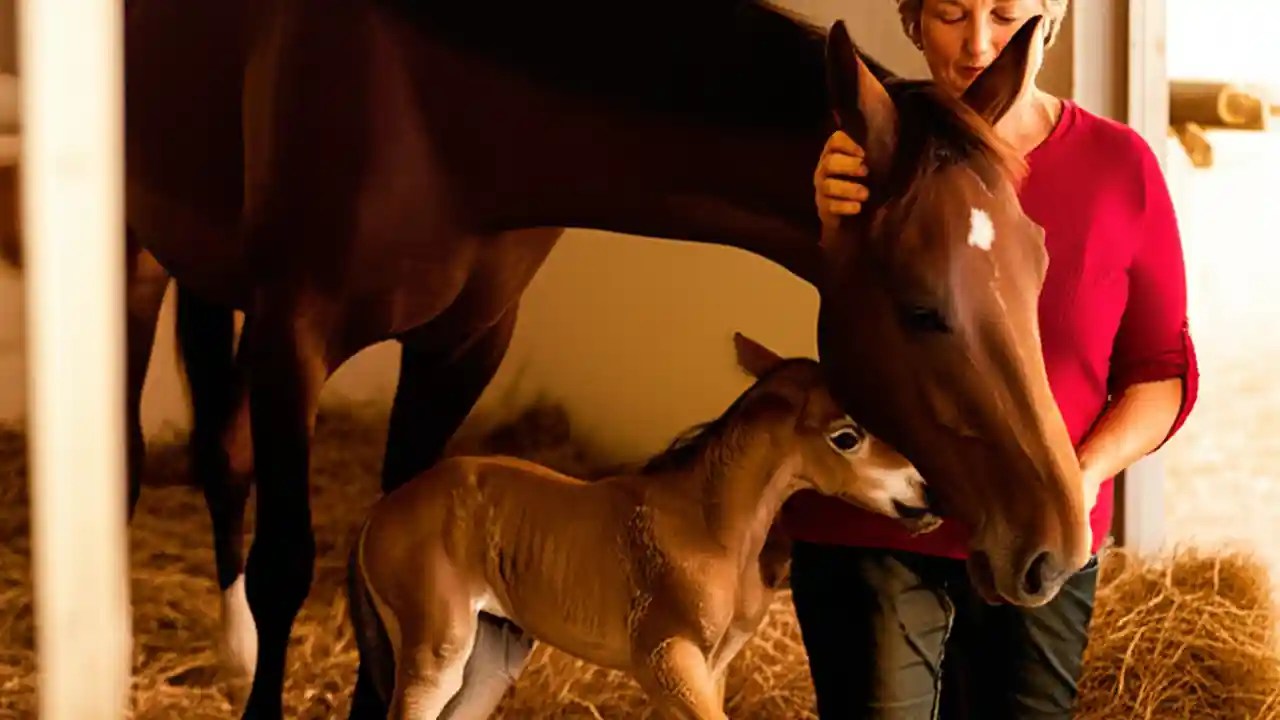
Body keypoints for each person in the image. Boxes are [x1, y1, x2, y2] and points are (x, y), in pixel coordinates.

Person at [789, 1, 1200, 718]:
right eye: (951, 13)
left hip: (1044, 526)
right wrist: (826, 224)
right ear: (913, 22)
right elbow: (852, 326)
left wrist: (1078, 478)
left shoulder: (1118, 166)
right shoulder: (862, 156)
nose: (978, 43)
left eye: (1005, 14)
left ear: (1051, 17)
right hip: (878, 520)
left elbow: (1159, 370)